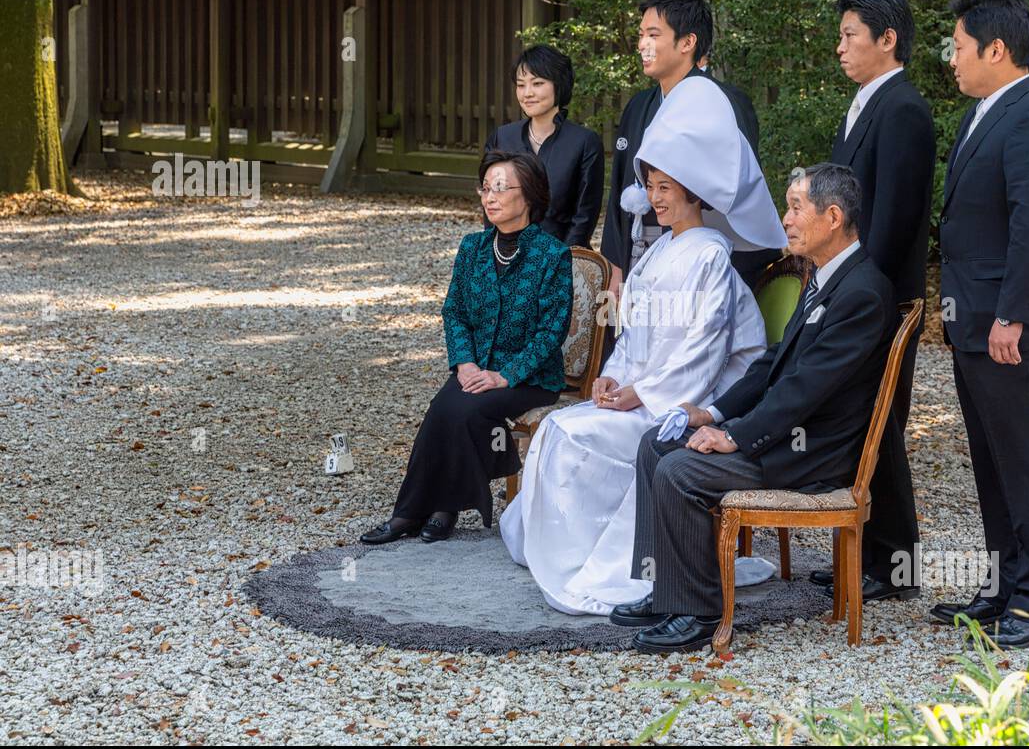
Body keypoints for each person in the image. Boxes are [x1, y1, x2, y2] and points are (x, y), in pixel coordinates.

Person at [499, 75, 787, 616]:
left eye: (665, 189)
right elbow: (634, 334)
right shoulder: (657, 254)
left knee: (574, 436)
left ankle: (617, 564)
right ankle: (562, 550)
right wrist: (612, 377)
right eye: (650, 187)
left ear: (693, 192)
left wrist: (642, 394)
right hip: (643, 388)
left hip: (687, 401)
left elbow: (704, 353)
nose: (654, 200)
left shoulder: (710, 256)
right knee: (562, 427)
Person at [611, 163, 900, 653]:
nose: (785, 219)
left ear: (832, 217)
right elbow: (771, 368)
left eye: (794, 208)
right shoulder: (826, 278)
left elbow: (806, 389)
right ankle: (664, 588)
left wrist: (736, 436)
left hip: (813, 454)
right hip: (786, 434)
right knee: (656, 441)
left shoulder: (863, 292)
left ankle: (698, 613)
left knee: (681, 470)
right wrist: (712, 413)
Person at [933, 0, 1029, 649]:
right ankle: (1004, 583)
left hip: (1013, 323)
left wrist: (1011, 315)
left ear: (996, 49)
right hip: (973, 321)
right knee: (990, 459)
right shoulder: (981, 114)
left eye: (957, 48)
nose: (950, 60)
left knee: (1024, 458)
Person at [359, 150, 573, 545]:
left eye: (500, 188)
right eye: (485, 188)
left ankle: (440, 509)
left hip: (529, 376)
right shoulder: (472, 247)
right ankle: (413, 512)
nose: (488, 197)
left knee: (464, 409)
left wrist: (504, 374)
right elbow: (453, 310)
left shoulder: (552, 256)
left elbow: (552, 331)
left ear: (528, 194)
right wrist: (464, 363)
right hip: (475, 370)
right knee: (445, 408)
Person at [804, 0, 936, 603]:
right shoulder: (862, 104)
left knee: (883, 422)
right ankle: (864, 551)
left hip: (881, 298)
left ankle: (895, 562)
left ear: (887, 40)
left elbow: (896, 219)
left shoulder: (904, 109)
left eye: (850, 35)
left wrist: (858, 292)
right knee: (858, 423)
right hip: (853, 289)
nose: (840, 48)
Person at [597, 0, 779, 293]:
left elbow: (734, 187)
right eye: (641, 34)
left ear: (687, 42)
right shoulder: (639, 106)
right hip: (642, 250)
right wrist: (615, 263)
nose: (643, 44)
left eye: (653, 35)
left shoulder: (721, 102)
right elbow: (620, 189)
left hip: (704, 258)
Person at [484, 44, 605, 248]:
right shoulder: (502, 137)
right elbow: (490, 203)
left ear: (559, 85)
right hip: (506, 255)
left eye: (537, 83)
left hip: (562, 257)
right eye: (521, 85)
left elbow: (584, 216)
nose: (527, 93)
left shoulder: (584, 142)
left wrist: (557, 262)